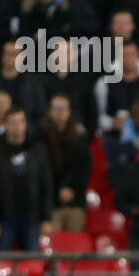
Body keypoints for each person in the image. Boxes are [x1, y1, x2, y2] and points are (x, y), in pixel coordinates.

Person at [0, 107, 53, 252]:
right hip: (4, 219)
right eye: (12, 122)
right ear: (5, 125)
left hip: (32, 218)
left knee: (32, 266)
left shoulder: (38, 150)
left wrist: (47, 218)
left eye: (21, 122)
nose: (17, 127)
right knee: (0, 266)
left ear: (25, 125)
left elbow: (47, 185)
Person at [38, 94, 91, 233]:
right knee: (52, 247)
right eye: (56, 107)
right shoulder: (40, 138)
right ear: (49, 111)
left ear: (69, 111)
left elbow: (84, 169)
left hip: (75, 202)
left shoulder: (80, 137)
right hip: (50, 204)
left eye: (64, 107)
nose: (60, 111)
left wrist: (71, 189)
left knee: (75, 248)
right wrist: (58, 192)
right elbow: (41, 171)